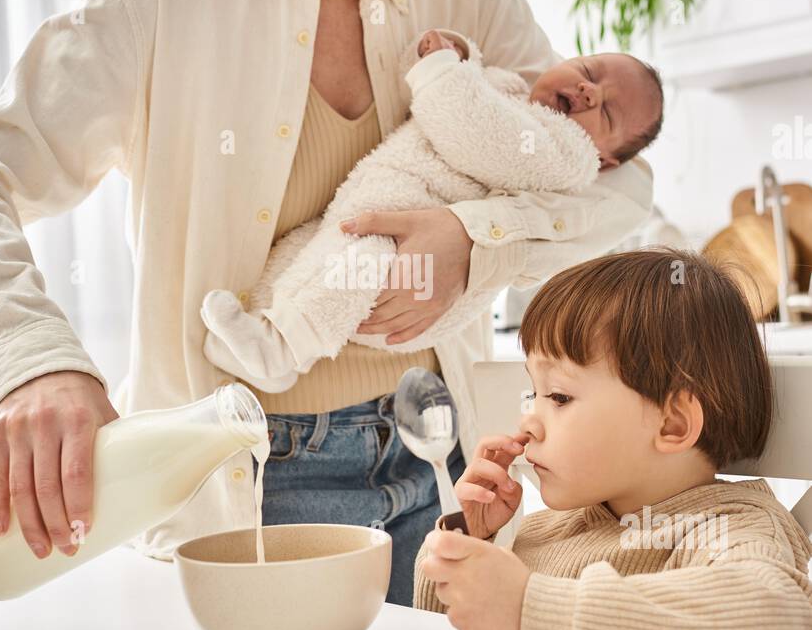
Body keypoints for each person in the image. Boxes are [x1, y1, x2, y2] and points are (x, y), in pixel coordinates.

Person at [0, 0, 652, 607]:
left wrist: (472, 238)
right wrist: (33, 355)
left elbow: (610, 182)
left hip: (444, 462)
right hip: (250, 481)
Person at [414, 249, 812, 630]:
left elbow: (768, 617)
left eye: (560, 397)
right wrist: (467, 538)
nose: (528, 421)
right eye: (533, 393)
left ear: (673, 423)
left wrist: (531, 608)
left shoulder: (729, 531)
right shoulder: (546, 530)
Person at [200, 29, 663, 388]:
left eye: (606, 114)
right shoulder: (511, 90)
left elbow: (476, 134)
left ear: (606, 160)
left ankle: (280, 347)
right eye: (589, 70)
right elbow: (467, 90)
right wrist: (456, 52)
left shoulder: (565, 153)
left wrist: (439, 70)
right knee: (305, 253)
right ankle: (269, 341)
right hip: (379, 203)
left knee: (353, 266)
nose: (589, 92)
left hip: (408, 249)